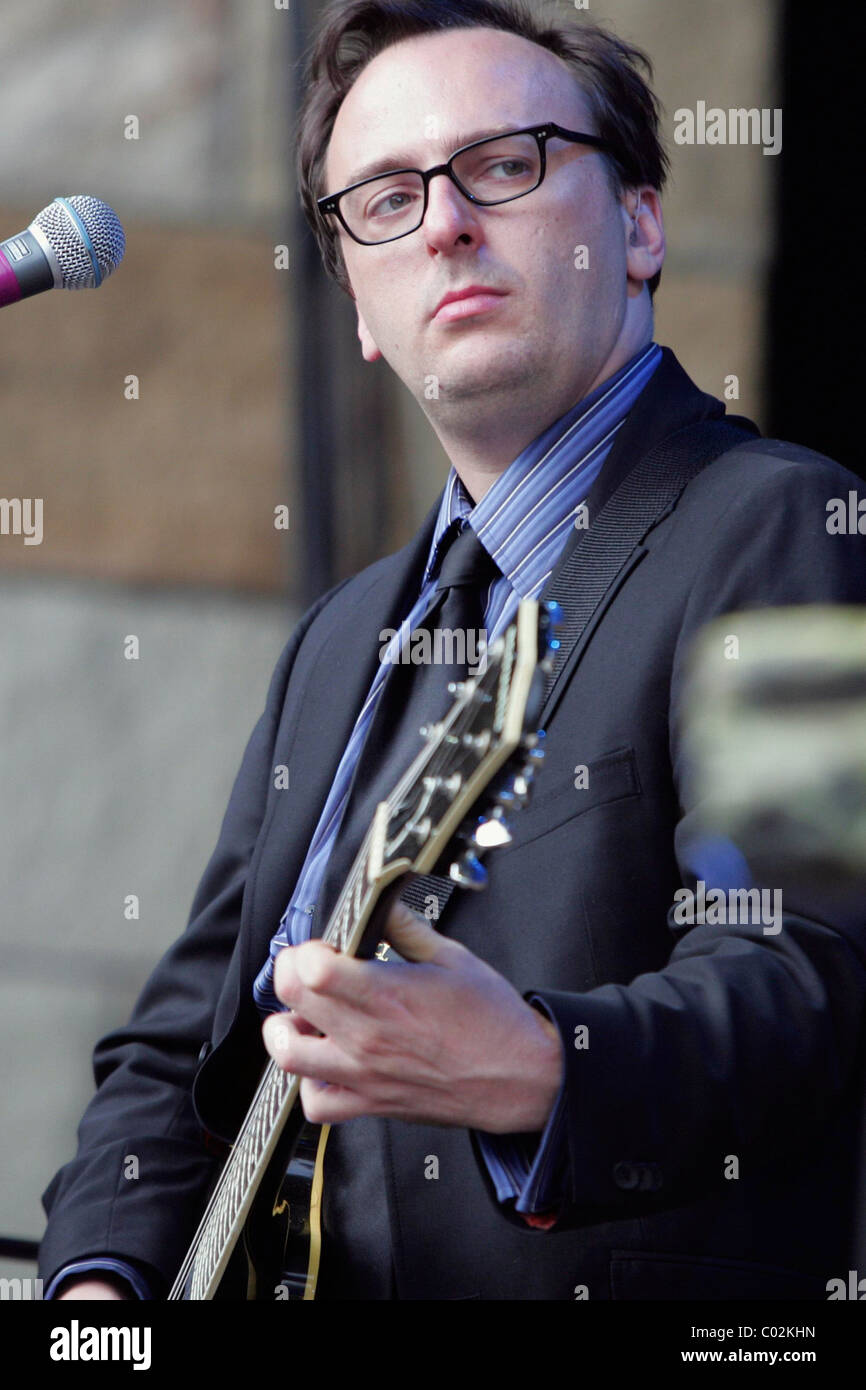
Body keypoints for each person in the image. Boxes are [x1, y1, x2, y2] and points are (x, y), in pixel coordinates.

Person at [40, 0, 866, 1301]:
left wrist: (543, 1061)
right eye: (382, 197)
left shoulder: (774, 522)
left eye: (504, 163)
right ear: (358, 302)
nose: (442, 221)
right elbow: (172, 1051)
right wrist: (102, 1295)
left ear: (638, 223)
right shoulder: (340, 642)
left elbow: (811, 978)